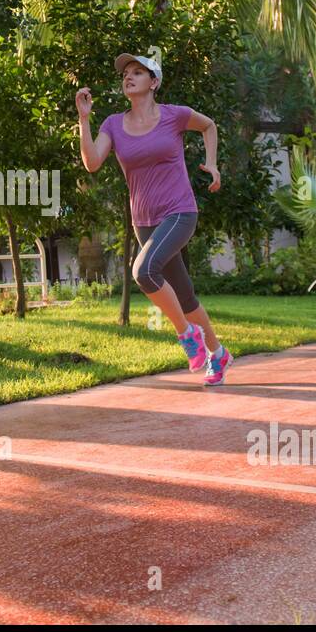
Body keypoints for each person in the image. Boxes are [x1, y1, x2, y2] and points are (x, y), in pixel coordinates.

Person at [76, 53, 233, 386]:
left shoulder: (174, 116)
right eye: (125, 74)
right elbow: (92, 163)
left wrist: (213, 163)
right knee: (185, 296)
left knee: (143, 272)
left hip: (179, 211)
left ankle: (188, 337)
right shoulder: (113, 124)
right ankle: (217, 354)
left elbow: (208, 125)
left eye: (137, 72)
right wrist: (84, 120)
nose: (128, 77)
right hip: (143, 220)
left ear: (154, 82)